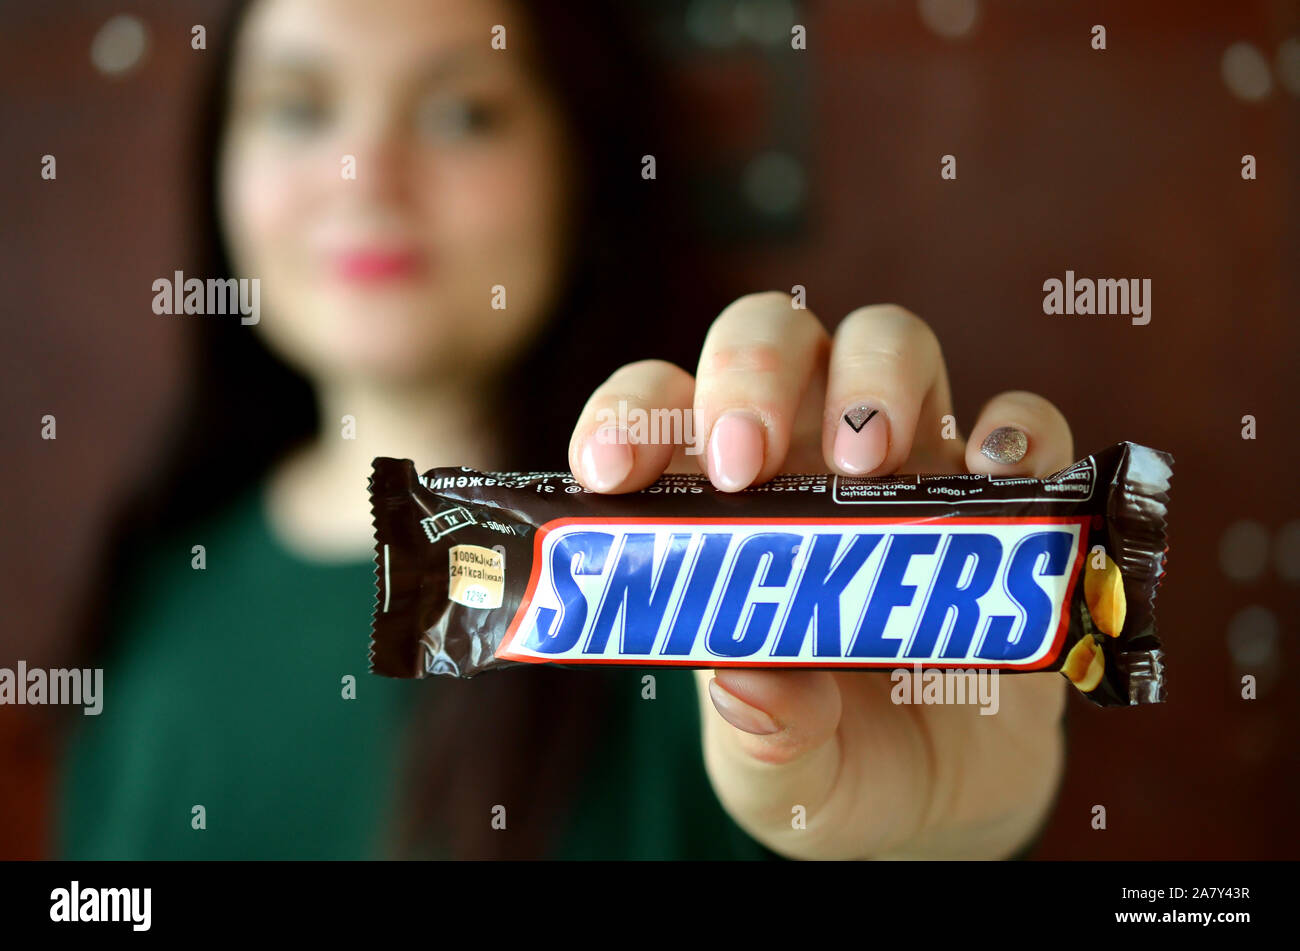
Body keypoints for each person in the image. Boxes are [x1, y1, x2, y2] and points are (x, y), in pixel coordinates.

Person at [58, 0, 1066, 860]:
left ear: (580, 160)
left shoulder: (705, 594)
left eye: (462, 112)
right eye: (297, 108)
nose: (365, 173)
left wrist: (949, 827)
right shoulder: (160, 582)